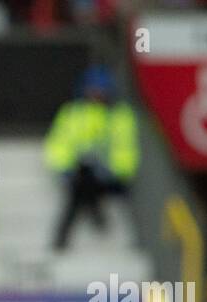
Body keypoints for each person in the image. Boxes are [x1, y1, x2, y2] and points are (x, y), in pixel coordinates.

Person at [45, 66, 138, 251]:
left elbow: (126, 149)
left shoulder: (120, 115)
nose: (96, 94)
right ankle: (97, 215)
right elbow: (58, 144)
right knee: (83, 182)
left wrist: (113, 170)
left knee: (83, 186)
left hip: (110, 177)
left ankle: (62, 237)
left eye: (100, 89)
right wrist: (65, 168)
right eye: (93, 89)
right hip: (82, 175)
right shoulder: (72, 112)